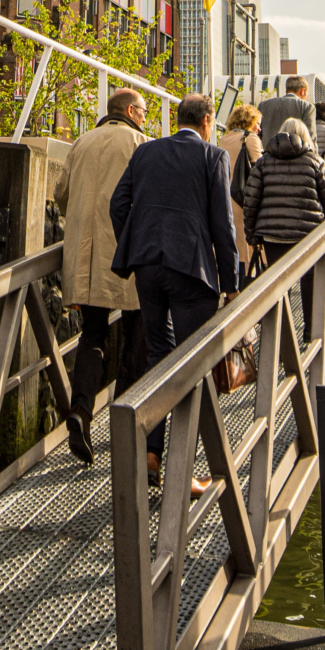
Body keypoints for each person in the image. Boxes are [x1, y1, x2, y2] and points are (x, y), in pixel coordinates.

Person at [110, 93, 239, 485]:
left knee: (158, 358)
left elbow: (119, 204)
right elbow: (223, 226)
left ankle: (151, 454)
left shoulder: (147, 151)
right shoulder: (212, 158)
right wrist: (231, 285)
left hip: (148, 266)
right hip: (192, 271)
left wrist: (135, 246)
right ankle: (186, 474)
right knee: (193, 367)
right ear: (206, 123)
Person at [56, 86, 146, 466]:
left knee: (92, 337)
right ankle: (122, 424)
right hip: (127, 255)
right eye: (143, 110)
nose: (146, 116)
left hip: (85, 256)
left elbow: (60, 194)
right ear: (128, 110)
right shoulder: (141, 144)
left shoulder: (81, 141)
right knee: (135, 339)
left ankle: (80, 413)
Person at [244, 115, 325, 339]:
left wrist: (251, 234)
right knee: (311, 281)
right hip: (309, 236)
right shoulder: (316, 162)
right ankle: (312, 333)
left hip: (273, 235)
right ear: (304, 137)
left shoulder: (264, 162)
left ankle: (283, 343)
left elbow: (251, 199)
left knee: (279, 286)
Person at [219, 102, 262, 274]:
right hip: (245, 196)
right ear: (247, 121)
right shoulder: (250, 138)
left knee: (233, 241)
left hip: (226, 195)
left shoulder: (223, 139)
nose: (258, 128)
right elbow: (260, 168)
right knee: (247, 245)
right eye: (256, 123)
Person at [260, 74, 316, 151]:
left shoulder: (264, 105)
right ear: (302, 91)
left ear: (287, 90)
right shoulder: (307, 107)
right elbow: (310, 138)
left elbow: (258, 134)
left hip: (268, 157)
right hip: (296, 159)